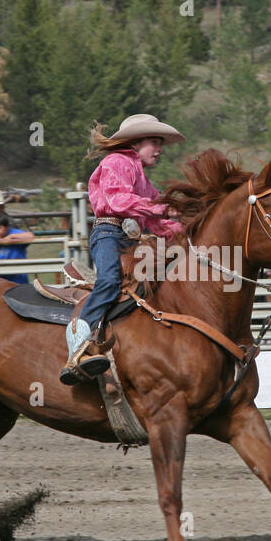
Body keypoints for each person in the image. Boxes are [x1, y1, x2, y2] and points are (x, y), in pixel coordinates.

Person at [61, 114, 185, 385]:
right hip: (108, 233)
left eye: (160, 142)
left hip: (130, 238)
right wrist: (164, 208)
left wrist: (187, 230)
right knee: (109, 281)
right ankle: (78, 346)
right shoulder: (117, 161)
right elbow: (118, 200)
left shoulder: (143, 179)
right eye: (155, 141)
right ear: (136, 143)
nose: (160, 148)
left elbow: (158, 221)